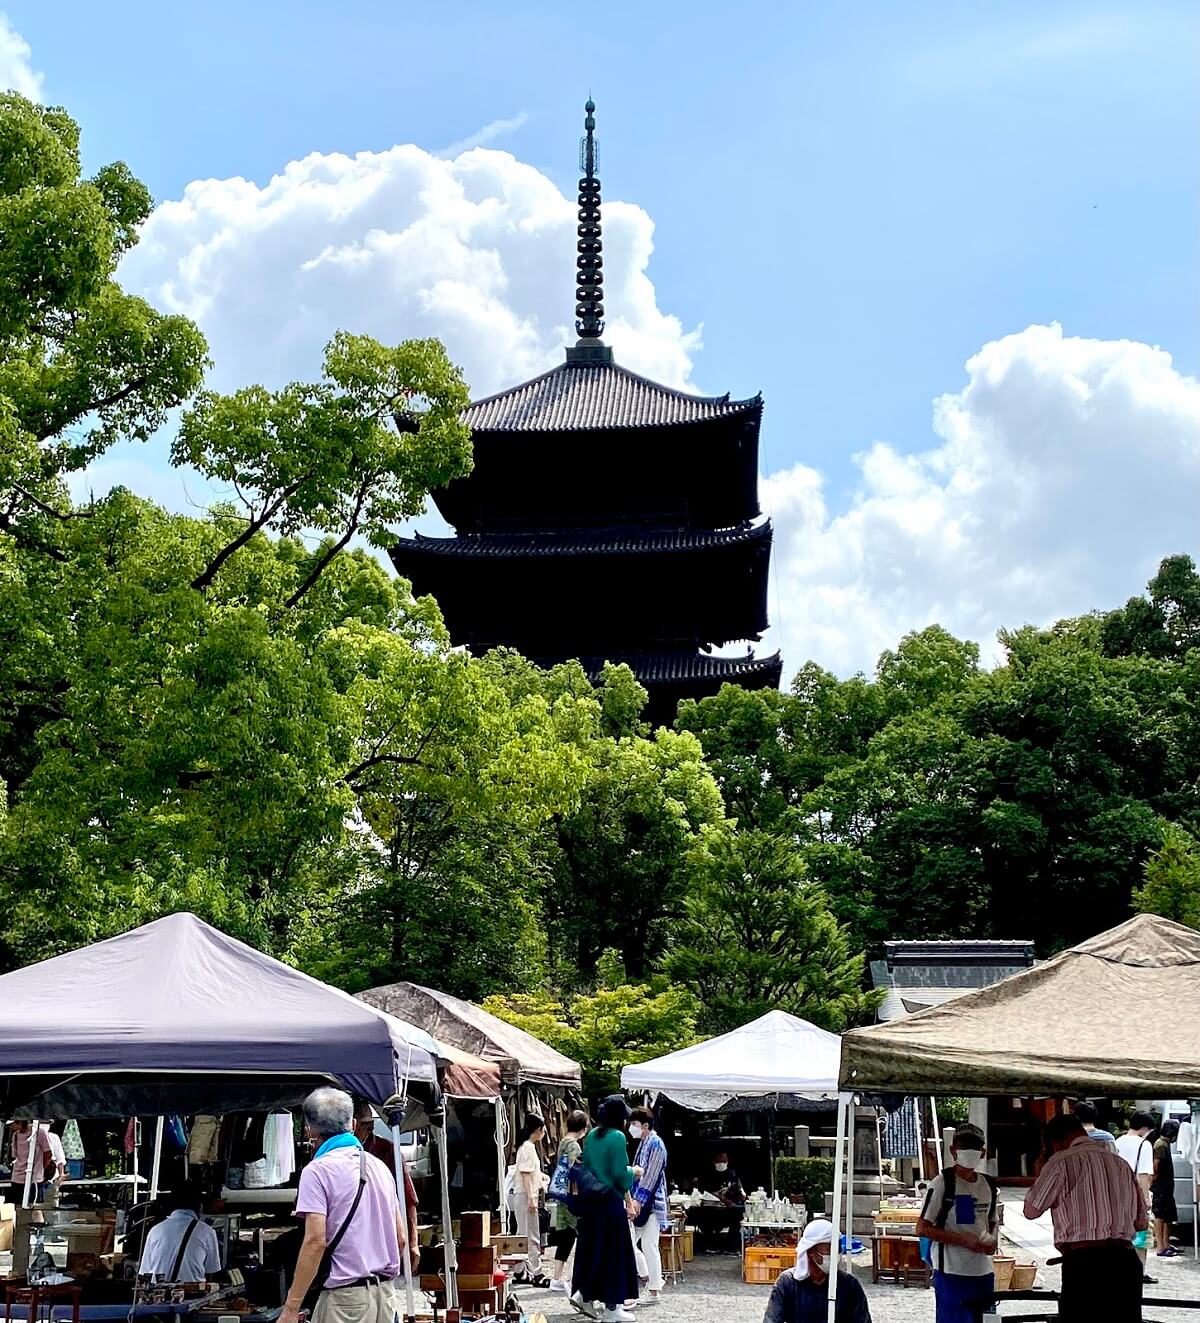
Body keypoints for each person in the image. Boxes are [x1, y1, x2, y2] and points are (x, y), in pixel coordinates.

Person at [280, 1087, 409, 1323]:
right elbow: (400, 1238)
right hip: (385, 1297)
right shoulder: (379, 1167)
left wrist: (291, 1307)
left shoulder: (317, 1171)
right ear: (352, 1123)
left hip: (346, 1302)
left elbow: (315, 1241)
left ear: (309, 1128)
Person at [1023, 1113, 1146, 1323]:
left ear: (1055, 1142)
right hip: (1125, 1261)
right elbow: (1140, 1221)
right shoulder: (1120, 1163)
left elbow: (1031, 1210)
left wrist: (1040, 1170)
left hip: (1085, 1263)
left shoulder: (1060, 1161)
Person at [915, 1122, 997, 1323]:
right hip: (952, 1272)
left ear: (982, 1152)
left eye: (974, 1147)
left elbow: (992, 1221)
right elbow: (922, 1228)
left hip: (984, 1271)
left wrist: (992, 1241)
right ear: (953, 1151)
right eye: (964, 1146)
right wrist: (962, 1240)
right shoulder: (942, 1183)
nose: (969, 1152)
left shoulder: (988, 1185)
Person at [570, 1094, 639, 1323]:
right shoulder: (617, 1137)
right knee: (615, 1254)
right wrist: (634, 1172)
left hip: (591, 1202)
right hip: (609, 1203)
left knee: (593, 1251)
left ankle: (585, 1293)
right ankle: (612, 1307)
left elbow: (587, 1166)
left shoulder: (591, 1136)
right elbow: (620, 1173)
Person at [350, 1102, 420, 1279]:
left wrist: (413, 1243)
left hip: (382, 1236)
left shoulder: (387, 1150)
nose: (368, 1128)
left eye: (368, 1124)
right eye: (364, 1124)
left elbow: (408, 1199)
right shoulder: (335, 1153)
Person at [762, 1218, 871, 1323]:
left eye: (836, 1250)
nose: (834, 1255)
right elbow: (772, 1319)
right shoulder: (788, 1283)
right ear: (811, 1251)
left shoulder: (849, 1285)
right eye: (828, 1250)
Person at [140, 1181, 222, 1281]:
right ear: (199, 1205)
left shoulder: (155, 1230)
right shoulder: (206, 1231)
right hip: (193, 1294)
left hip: (159, 1294)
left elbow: (145, 1272)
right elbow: (212, 1272)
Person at [628, 1105, 669, 1305]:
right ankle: (651, 1282)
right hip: (642, 1203)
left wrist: (637, 1201)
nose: (631, 1127)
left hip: (650, 1204)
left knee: (648, 1245)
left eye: (634, 1124)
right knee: (637, 1244)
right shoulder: (646, 1143)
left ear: (645, 1126)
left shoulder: (655, 1144)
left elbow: (650, 1177)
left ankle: (653, 1288)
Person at [550, 1110, 589, 1295]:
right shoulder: (574, 1146)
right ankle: (561, 1277)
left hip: (562, 1195)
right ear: (584, 1127)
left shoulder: (563, 1141)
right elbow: (577, 1170)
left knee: (565, 1236)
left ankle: (557, 1277)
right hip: (572, 1197)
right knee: (571, 1236)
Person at [1115, 1110, 1156, 1281]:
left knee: (1120, 1236)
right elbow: (1143, 1174)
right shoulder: (1143, 1145)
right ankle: (1139, 1271)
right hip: (1135, 1196)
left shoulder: (1116, 1141)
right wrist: (1146, 1199)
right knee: (1142, 1236)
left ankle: (1120, 1269)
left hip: (1116, 1194)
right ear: (1145, 1128)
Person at [513, 1115, 550, 1287]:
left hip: (522, 1194)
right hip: (526, 1195)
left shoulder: (525, 1146)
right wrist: (532, 1197)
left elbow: (528, 1173)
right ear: (538, 1130)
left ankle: (520, 1270)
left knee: (523, 1234)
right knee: (532, 1235)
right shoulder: (528, 1147)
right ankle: (537, 1272)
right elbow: (526, 1174)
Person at [5, 1119, 53, 1205]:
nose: (11, 1127)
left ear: (19, 1122)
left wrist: (44, 1169)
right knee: (16, 1207)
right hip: (17, 1178)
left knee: (36, 1208)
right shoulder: (15, 1135)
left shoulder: (39, 1132)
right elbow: (14, 1156)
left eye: (12, 1125)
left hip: (35, 1179)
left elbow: (48, 1152)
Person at [1152, 1119, 1180, 1258]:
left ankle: (1166, 1244)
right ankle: (1161, 1247)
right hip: (1161, 1187)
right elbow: (1156, 1166)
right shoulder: (1160, 1145)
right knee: (1160, 1216)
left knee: (1168, 1216)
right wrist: (1153, 1182)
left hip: (1166, 1186)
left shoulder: (1164, 1144)